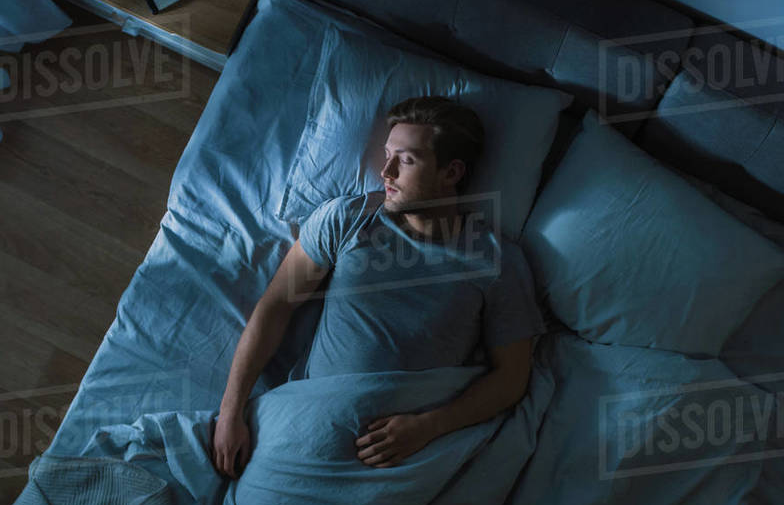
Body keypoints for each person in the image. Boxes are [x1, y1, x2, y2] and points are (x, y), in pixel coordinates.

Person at [210, 96, 545, 478]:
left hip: (406, 450)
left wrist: (429, 427)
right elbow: (276, 306)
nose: (385, 171)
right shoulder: (348, 218)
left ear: (451, 172)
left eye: (406, 160)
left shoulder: (496, 262)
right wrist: (230, 413)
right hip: (308, 420)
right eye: (387, 155)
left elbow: (511, 378)